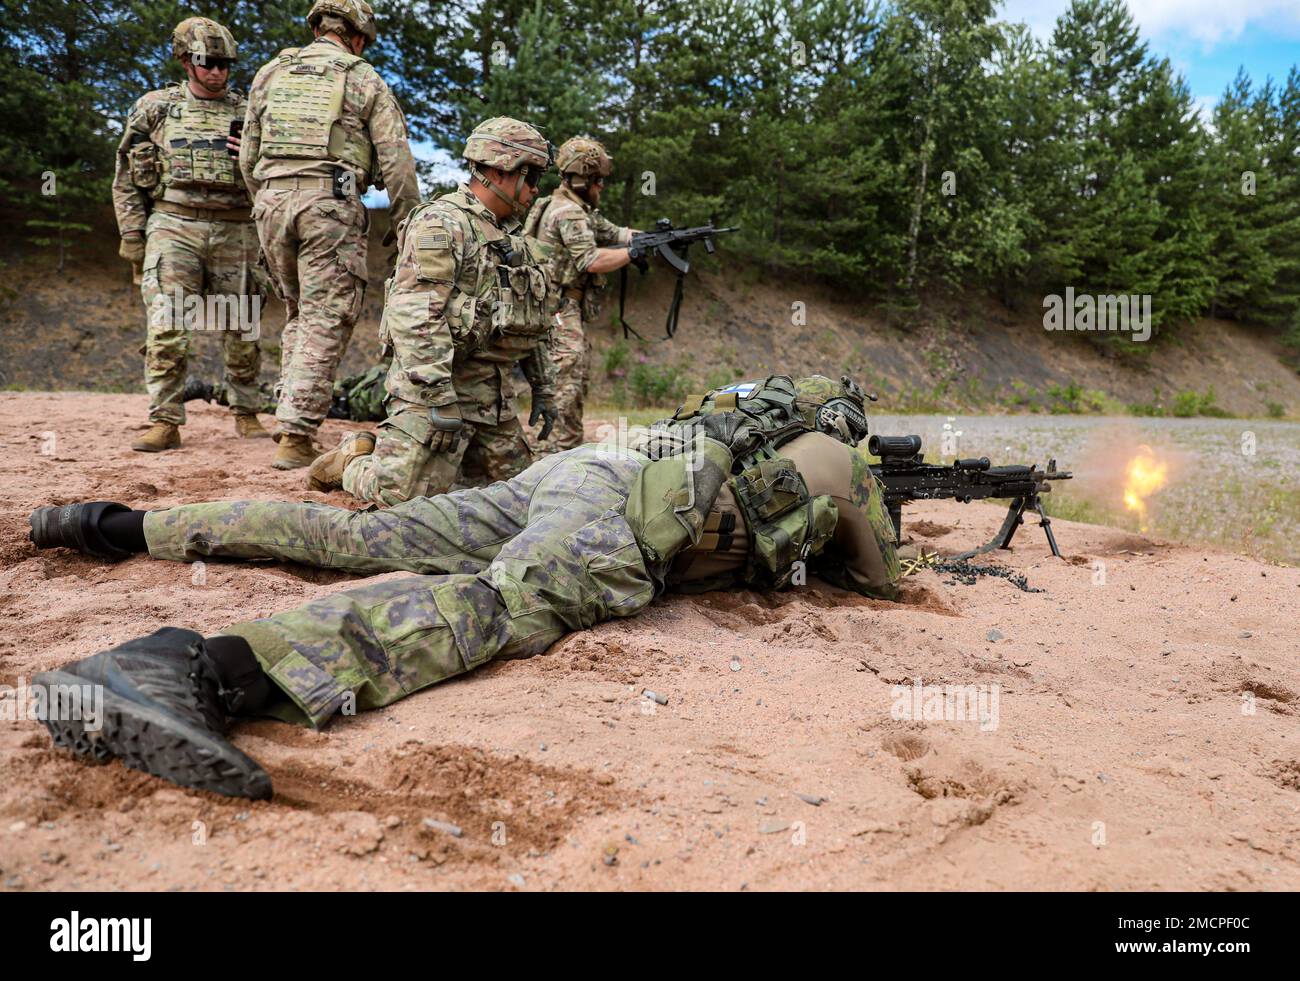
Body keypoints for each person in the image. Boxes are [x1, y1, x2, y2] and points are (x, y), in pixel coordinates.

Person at [27, 375, 899, 800]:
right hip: (620, 518)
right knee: (497, 603)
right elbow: (879, 579)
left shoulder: (715, 427)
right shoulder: (834, 456)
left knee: (363, 535)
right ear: (840, 421)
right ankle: (197, 666)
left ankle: (108, 524)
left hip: (580, 468)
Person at [306, 117, 560, 506]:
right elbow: (415, 317)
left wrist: (543, 388)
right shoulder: (441, 225)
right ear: (498, 170)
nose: (535, 189)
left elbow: (533, 320)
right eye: (531, 177)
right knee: (402, 500)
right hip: (433, 394)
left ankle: (442, 464)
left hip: (491, 403)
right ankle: (353, 462)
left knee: (522, 501)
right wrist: (438, 397)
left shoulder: (513, 239)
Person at [240, 0, 420, 470]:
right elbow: (398, 163)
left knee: (300, 313)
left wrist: (264, 200)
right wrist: (407, 224)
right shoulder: (362, 78)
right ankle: (296, 435)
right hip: (329, 204)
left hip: (271, 201)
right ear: (358, 35)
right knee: (327, 315)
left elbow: (247, 155)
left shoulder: (269, 74)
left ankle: (289, 420)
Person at [112, 17, 267, 453]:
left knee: (242, 324)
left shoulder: (250, 110)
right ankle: (165, 420)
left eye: (224, 64)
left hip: (238, 226)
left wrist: (252, 155)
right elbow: (126, 177)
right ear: (185, 61)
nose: (217, 71)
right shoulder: (156, 108)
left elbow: (274, 175)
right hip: (174, 221)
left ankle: (246, 410)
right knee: (167, 326)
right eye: (207, 62)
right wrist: (133, 236)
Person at [524, 136, 637, 450]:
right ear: (585, 180)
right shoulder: (569, 213)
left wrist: (657, 238)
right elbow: (592, 260)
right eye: (598, 181)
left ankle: (566, 449)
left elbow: (615, 233)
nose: (601, 187)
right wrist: (633, 254)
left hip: (558, 310)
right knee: (566, 381)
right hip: (558, 311)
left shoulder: (573, 207)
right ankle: (554, 452)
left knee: (573, 380)